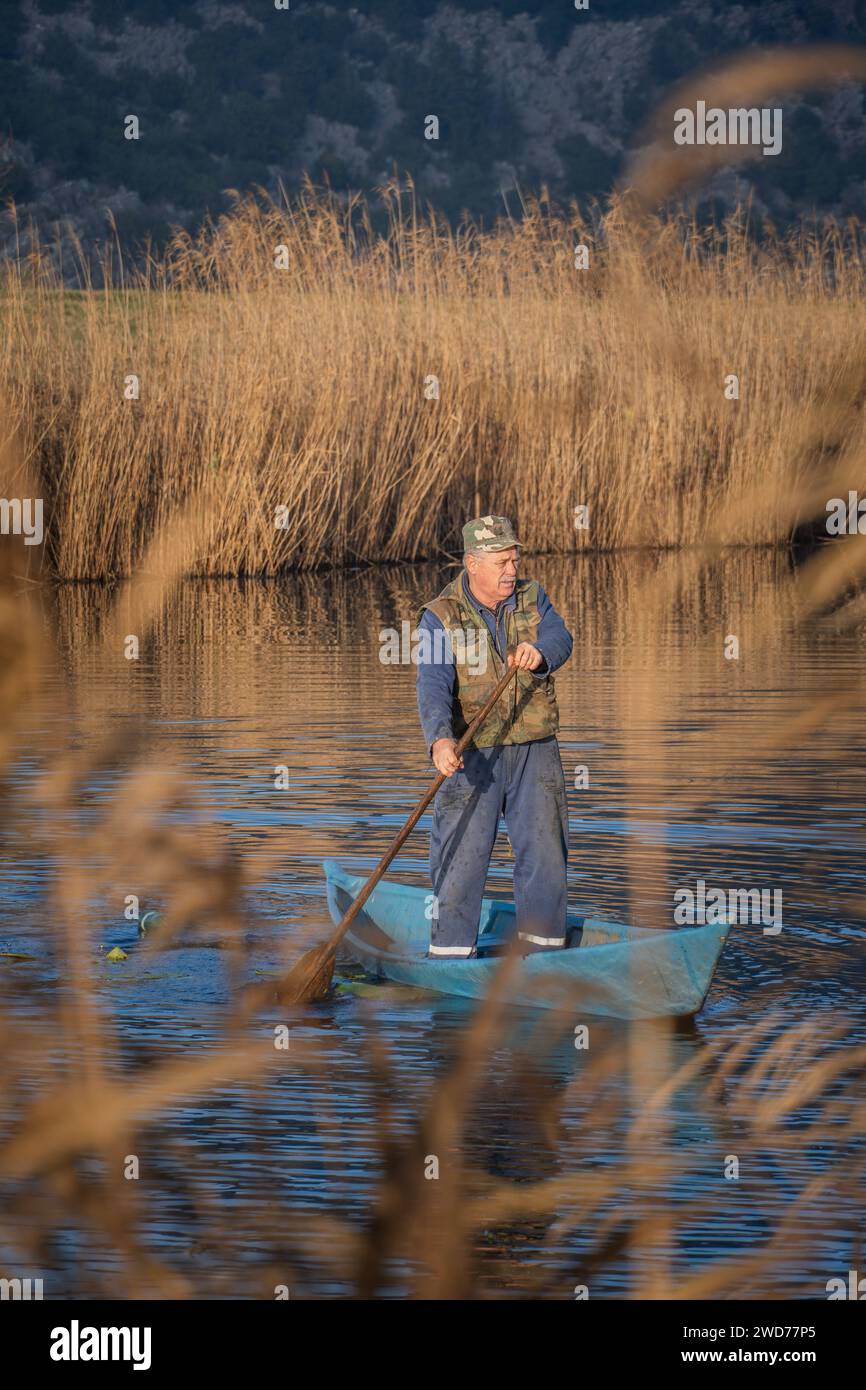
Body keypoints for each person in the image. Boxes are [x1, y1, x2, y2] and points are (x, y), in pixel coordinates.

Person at [416, 515, 573, 958]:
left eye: (515, 559)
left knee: (545, 856)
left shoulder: (533, 597)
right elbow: (432, 686)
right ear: (472, 564)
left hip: (534, 751)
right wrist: (440, 741)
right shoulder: (438, 618)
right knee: (460, 861)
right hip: (472, 757)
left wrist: (541, 652)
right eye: (502, 561)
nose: (511, 569)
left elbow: (562, 638)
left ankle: (544, 955)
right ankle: (449, 956)